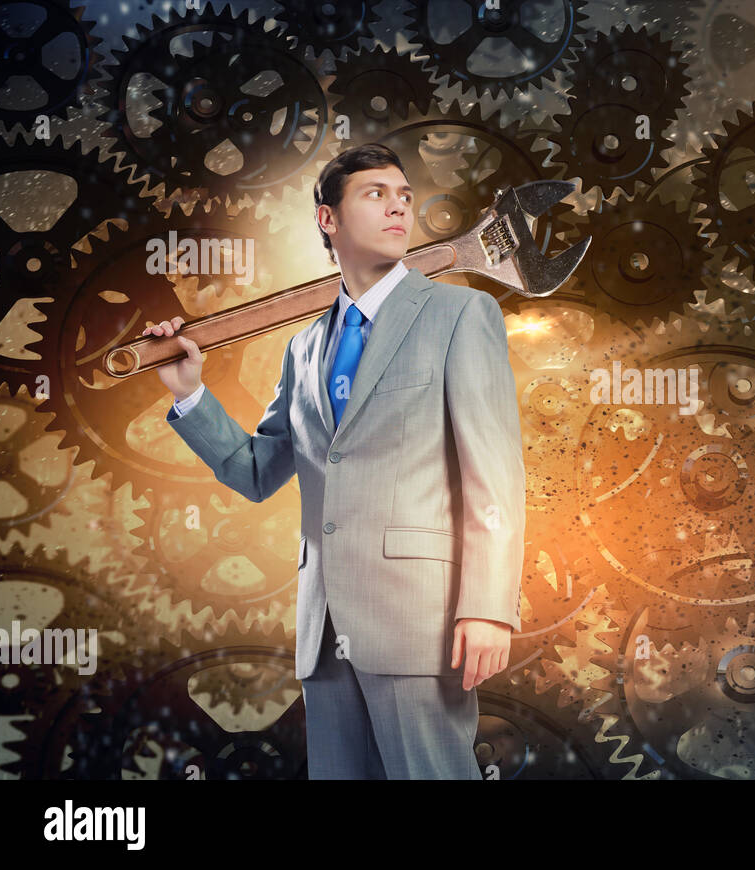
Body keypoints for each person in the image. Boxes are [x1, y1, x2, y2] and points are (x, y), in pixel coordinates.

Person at [147, 143, 525, 779]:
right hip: (324, 632)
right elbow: (256, 470)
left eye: (404, 196)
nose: (399, 206)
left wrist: (487, 607)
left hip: (420, 623)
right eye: (376, 194)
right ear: (328, 219)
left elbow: (495, 475)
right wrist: (190, 394)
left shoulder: (461, 314)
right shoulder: (304, 346)